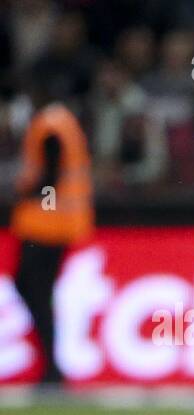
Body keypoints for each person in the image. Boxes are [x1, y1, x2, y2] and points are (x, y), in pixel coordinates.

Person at [10, 81, 94, 386]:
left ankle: (53, 365)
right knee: (34, 289)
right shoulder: (64, 122)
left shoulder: (50, 125)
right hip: (57, 223)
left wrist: (28, 194)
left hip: (47, 224)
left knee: (34, 288)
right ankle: (51, 363)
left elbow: (51, 175)